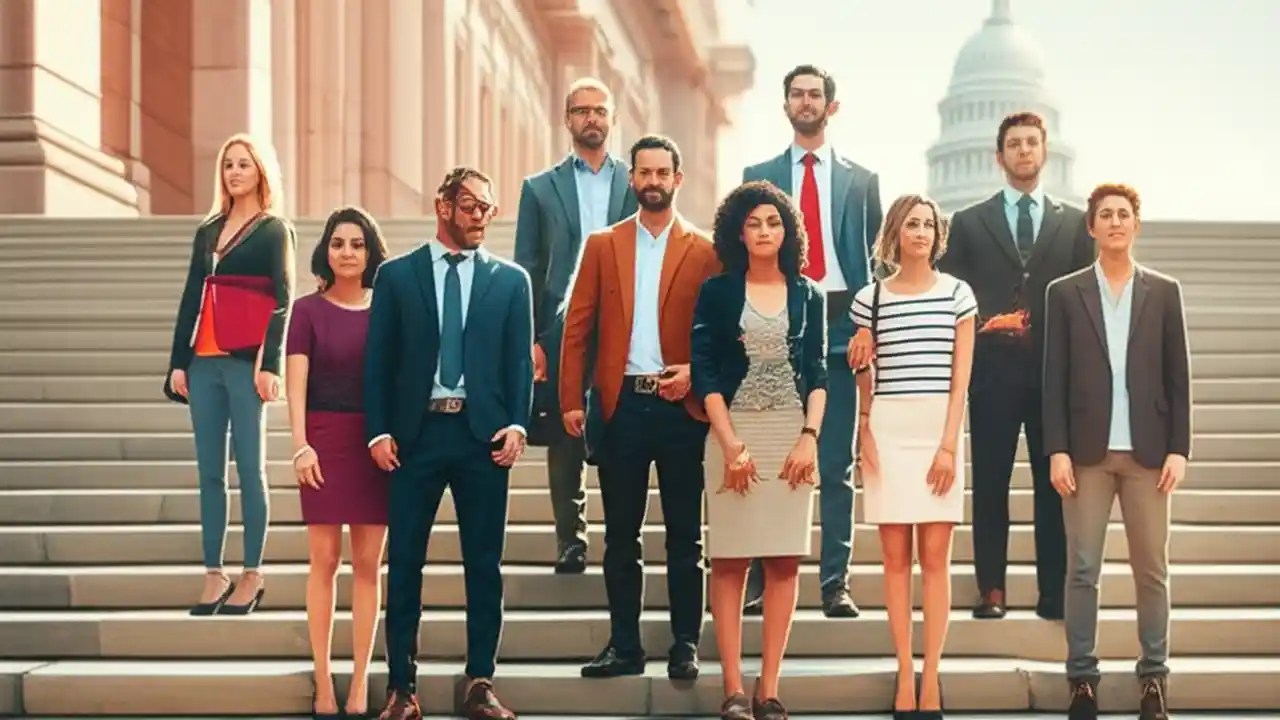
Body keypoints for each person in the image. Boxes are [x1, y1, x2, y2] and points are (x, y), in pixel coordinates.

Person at [855, 111, 1094, 621]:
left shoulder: (1074, 224)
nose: (1024, 151)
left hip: (1053, 376)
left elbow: (1086, 300)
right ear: (999, 155)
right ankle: (992, 589)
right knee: (991, 482)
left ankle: (1051, 590)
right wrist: (986, 322)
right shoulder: (967, 222)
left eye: (1032, 142)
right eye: (1014, 144)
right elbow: (940, 291)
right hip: (990, 376)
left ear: (1044, 151)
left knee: (1054, 487)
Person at [364, 168, 532, 720]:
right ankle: (401, 690)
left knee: (484, 564)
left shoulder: (511, 282)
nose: (481, 216)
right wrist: (379, 429)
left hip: (483, 438)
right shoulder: (396, 276)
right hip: (415, 438)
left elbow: (517, 367)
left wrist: (518, 424)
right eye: (470, 206)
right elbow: (379, 361)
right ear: (442, 206)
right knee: (405, 563)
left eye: (488, 206)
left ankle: (480, 683)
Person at [560, 134, 719, 680]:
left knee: (685, 535)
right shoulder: (604, 245)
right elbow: (577, 326)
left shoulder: (705, 249)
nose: (652, 181)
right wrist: (569, 400)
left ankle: (685, 645)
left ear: (679, 178)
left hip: (682, 407)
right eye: (643, 173)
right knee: (620, 535)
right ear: (632, 179)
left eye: (662, 173)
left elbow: (722, 332)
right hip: (620, 404)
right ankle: (624, 645)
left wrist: (697, 375)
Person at [1042, 183, 1190, 720]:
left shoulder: (1164, 291)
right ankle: (1082, 681)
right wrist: (1056, 448)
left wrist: (1180, 448)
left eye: (1123, 214)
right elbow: (1052, 377)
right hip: (1086, 454)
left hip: (1150, 454)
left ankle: (1154, 679)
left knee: (1152, 569)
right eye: (1104, 215)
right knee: (1082, 569)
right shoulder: (1065, 292)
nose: (1114, 222)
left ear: (1136, 224)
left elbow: (1179, 376)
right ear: (1091, 227)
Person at [741, 64, 881, 618]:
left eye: (815, 94)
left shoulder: (861, 180)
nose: (806, 101)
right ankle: (760, 579)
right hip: (778, 316)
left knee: (835, 460)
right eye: (796, 94)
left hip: (843, 318)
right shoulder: (759, 173)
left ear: (831, 106)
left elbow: (874, 260)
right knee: (770, 453)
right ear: (785, 106)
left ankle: (834, 583)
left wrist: (868, 323)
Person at [691, 181, 827, 720]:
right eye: (754, 224)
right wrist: (730, 445)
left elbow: (817, 373)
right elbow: (704, 372)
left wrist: (809, 438)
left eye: (773, 222)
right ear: (738, 232)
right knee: (728, 561)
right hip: (733, 432)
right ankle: (732, 690)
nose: (764, 231)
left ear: (787, 230)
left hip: (792, 435)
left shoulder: (808, 292)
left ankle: (768, 690)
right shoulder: (718, 292)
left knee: (784, 563)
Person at [852, 194, 976, 719]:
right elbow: (864, 373)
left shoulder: (958, 295)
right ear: (895, 233)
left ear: (937, 234)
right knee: (896, 560)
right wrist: (865, 428)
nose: (921, 232)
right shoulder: (869, 298)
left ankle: (932, 675)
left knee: (936, 560)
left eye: (928, 224)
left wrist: (949, 445)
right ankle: (905, 671)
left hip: (937, 429)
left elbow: (960, 380)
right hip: (887, 425)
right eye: (911, 224)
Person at [164, 132, 295, 617]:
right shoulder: (207, 231)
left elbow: (282, 301)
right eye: (228, 166)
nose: (234, 172)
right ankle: (214, 573)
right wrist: (179, 361)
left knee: (251, 470)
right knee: (209, 473)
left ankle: (253, 572)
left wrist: (270, 365)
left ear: (260, 170)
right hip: (203, 363)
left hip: (244, 363)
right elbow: (189, 297)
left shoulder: (274, 230)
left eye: (243, 164)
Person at [513, 76, 638, 574]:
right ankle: (571, 539)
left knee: (621, 427)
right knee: (565, 431)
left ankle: (622, 536)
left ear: (613, 119)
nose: (592, 118)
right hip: (562, 325)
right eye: (581, 110)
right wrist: (535, 341)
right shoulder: (539, 189)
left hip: (626, 323)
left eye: (600, 110)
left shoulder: (637, 181)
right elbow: (527, 270)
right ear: (567, 120)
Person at [286, 206, 391, 718]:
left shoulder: (387, 308)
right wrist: (300, 444)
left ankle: (360, 684)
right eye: (337, 243)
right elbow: (296, 384)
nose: (346, 252)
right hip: (323, 442)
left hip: (374, 444)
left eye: (356, 244)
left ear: (370, 253)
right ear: (325, 250)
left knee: (369, 565)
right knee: (324, 562)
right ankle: (324, 682)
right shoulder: (305, 310)